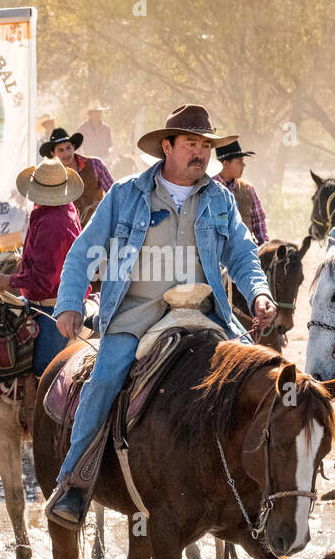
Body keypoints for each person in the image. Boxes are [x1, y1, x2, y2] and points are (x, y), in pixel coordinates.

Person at [44, 104, 276, 528]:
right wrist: (71, 303)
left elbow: (243, 253)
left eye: (206, 145)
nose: (201, 153)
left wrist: (258, 292)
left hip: (207, 315)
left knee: (265, 380)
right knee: (106, 379)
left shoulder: (220, 198)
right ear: (166, 146)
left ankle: (266, 494)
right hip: (137, 316)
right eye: (191, 143)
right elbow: (84, 252)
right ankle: (75, 483)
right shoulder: (126, 194)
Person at [0, 158, 84, 376]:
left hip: (53, 305)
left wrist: (8, 280)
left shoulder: (53, 223)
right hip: (41, 300)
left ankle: (39, 408)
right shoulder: (56, 210)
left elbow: (44, 278)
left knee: (44, 367)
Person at [41, 126, 114, 226]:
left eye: (68, 148)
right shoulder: (52, 178)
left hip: (99, 224)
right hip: (71, 229)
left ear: (74, 147)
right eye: (60, 150)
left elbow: (113, 193)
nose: (66, 153)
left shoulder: (95, 164)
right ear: (53, 153)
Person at [215, 140, 268, 245]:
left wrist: (264, 247)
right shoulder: (206, 188)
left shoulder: (248, 189)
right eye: (239, 161)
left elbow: (259, 220)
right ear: (225, 163)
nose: (244, 165)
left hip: (244, 252)